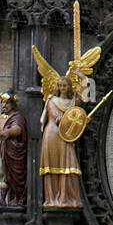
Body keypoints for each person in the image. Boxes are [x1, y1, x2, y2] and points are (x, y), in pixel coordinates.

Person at [39, 75, 82, 207]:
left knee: (69, 164)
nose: (62, 88)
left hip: (66, 136)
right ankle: (52, 199)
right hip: (53, 133)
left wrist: (82, 78)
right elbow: (57, 118)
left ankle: (67, 197)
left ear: (69, 87)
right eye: (60, 86)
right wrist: (73, 120)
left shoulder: (72, 102)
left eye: (65, 86)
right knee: (53, 165)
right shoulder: (52, 101)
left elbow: (84, 98)